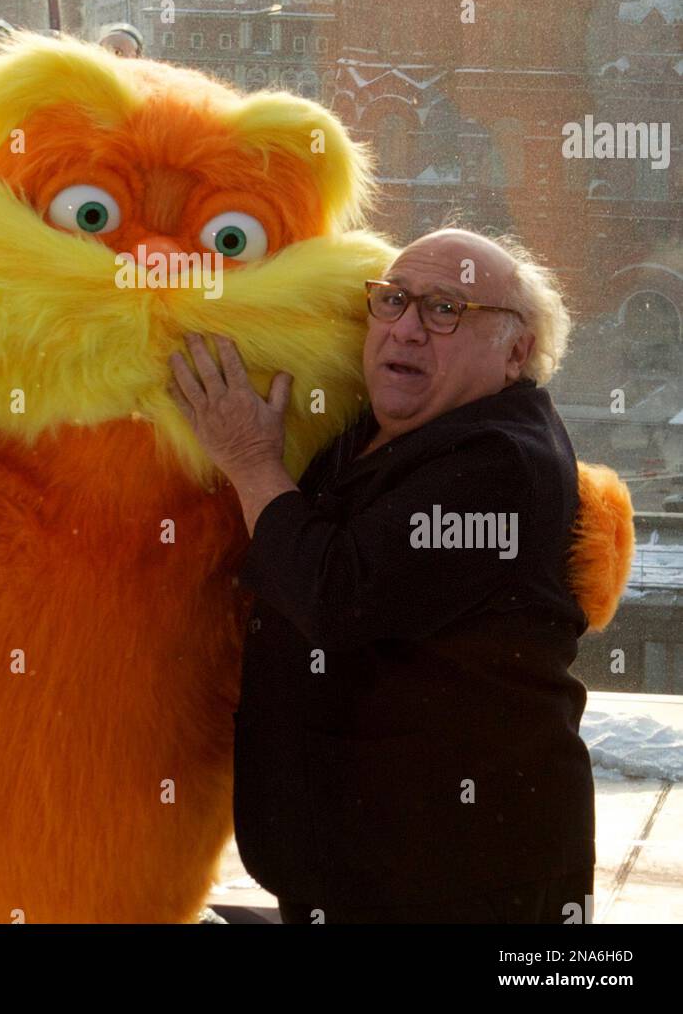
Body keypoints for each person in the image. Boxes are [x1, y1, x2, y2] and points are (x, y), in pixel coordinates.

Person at [168, 228, 605, 924]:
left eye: (446, 310)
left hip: (461, 877)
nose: (404, 329)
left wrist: (251, 459)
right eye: (393, 300)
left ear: (516, 350)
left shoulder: (499, 461)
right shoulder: (383, 425)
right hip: (359, 866)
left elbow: (337, 596)